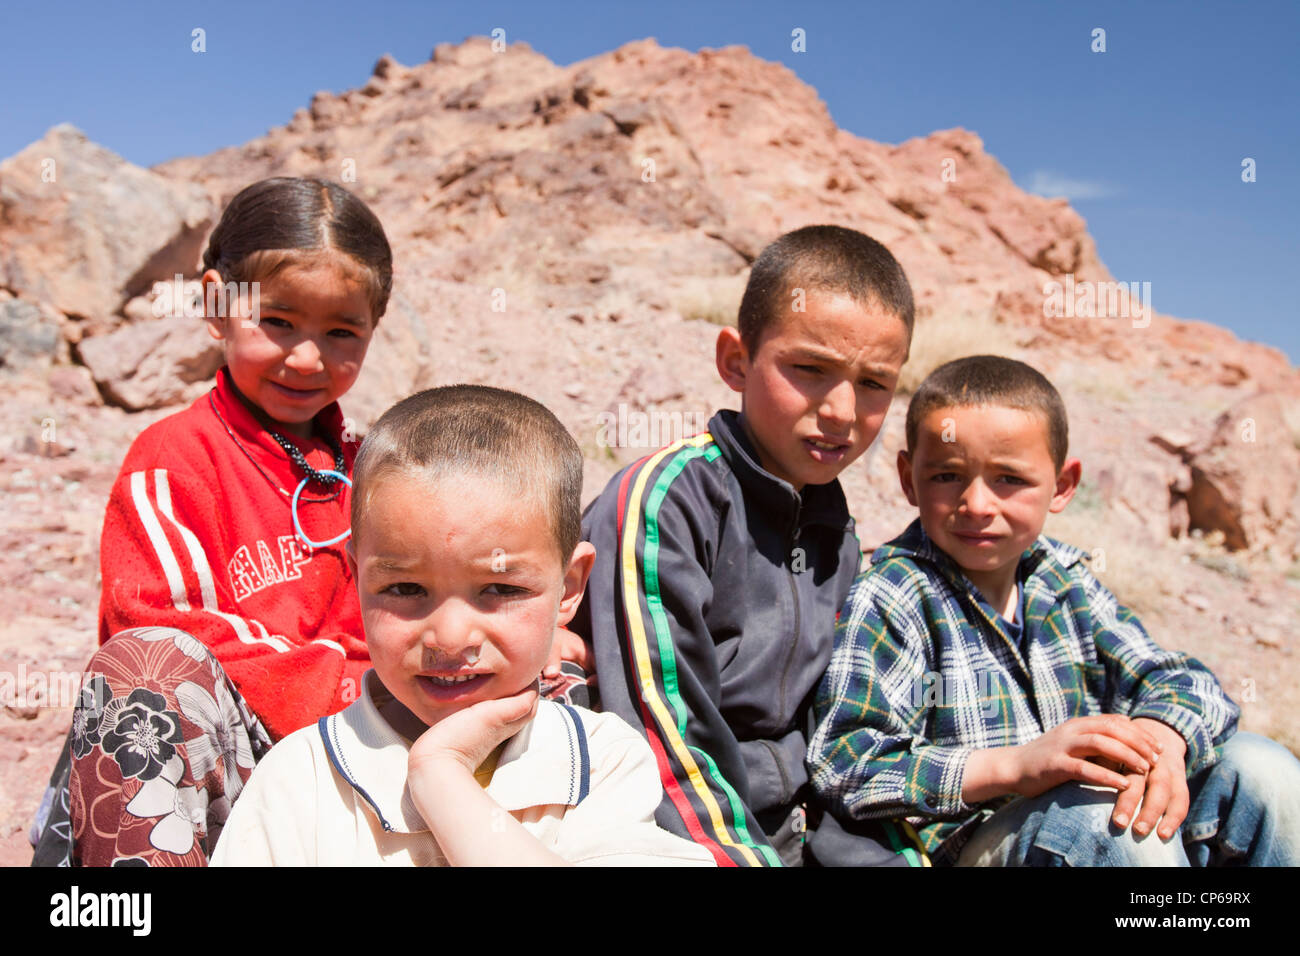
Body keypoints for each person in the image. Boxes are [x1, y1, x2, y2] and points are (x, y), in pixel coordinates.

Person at [808, 354, 1300, 866]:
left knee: (1262, 768)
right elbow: (844, 761)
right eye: (948, 476)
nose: (976, 503)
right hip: (980, 845)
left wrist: (1164, 739)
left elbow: (1179, 679)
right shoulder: (894, 594)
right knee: (1111, 824)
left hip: (1089, 825)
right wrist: (1013, 767)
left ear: (1062, 487)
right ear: (909, 479)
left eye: (1008, 479)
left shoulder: (1063, 581)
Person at [32, 177, 392, 866]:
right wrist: (353, 689)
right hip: (221, 768)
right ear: (216, 305)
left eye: (342, 332)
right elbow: (162, 625)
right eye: (278, 322)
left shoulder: (376, 471)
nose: (307, 358)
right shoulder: (172, 459)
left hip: (366, 744)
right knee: (146, 667)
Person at [210, 385, 715, 866]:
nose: (450, 638)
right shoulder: (303, 780)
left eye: (500, 589)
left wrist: (442, 777)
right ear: (357, 579)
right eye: (406, 589)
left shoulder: (602, 763)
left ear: (568, 588)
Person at [571, 225, 922, 865]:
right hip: (673, 834)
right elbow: (658, 735)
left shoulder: (836, 533)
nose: (842, 410)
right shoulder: (664, 503)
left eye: (874, 383)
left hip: (784, 829)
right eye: (810, 370)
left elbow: (832, 736)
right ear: (736, 360)